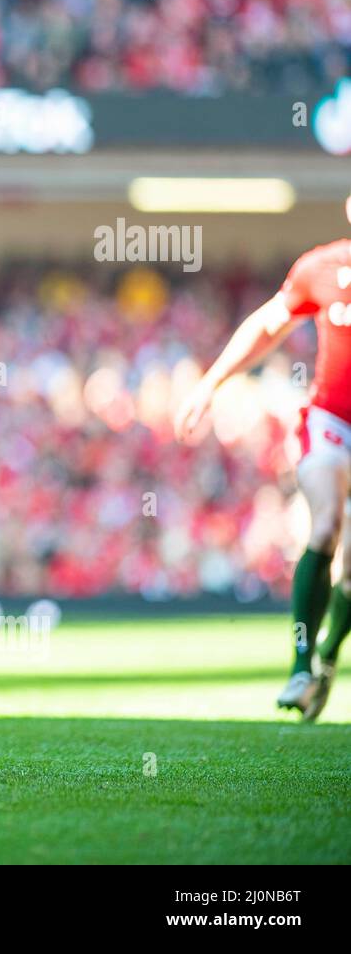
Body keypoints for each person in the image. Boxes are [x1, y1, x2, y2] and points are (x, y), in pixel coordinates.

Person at [175, 204, 351, 722]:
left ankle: (324, 657)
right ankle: (300, 667)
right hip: (331, 421)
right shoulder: (322, 267)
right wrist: (211, 382)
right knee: (325, 524)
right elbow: (268, 324)